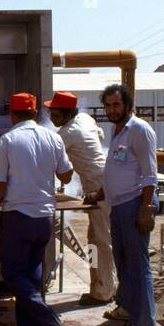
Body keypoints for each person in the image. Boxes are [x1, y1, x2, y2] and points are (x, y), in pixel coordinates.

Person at [0, 92, 75, 326]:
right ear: (35, 113)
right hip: (45, 217)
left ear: (12, 114)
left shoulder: (8, 140)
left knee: (13, 274)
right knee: (32, 276)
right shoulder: (53, 138)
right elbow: (67, 176)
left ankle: (48, 320)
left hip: (18, 217)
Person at [84, 82, 159, 326]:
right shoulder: (118, 131)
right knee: (123, 261)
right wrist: (100, 194)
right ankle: (126, 307)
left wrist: (146, 207)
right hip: (118, 204)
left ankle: (143, 319)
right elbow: (118, 169)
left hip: (136, 202)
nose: (112, 109)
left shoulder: (139, 130)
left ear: (127, 104)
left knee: (137, 262)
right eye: (107, 105)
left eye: (116, 104)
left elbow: (149, 173)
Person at [46, 91, 116, 306]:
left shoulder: (67, 133)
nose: (52, 119)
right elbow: (100, 136)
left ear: (68, 114)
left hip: (100, 187)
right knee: (95, 240)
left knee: (102, 241)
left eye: (56, 115)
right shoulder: (85, 119)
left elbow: (49, 159)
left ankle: (105, 291)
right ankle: (101, 287)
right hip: (100, 184)